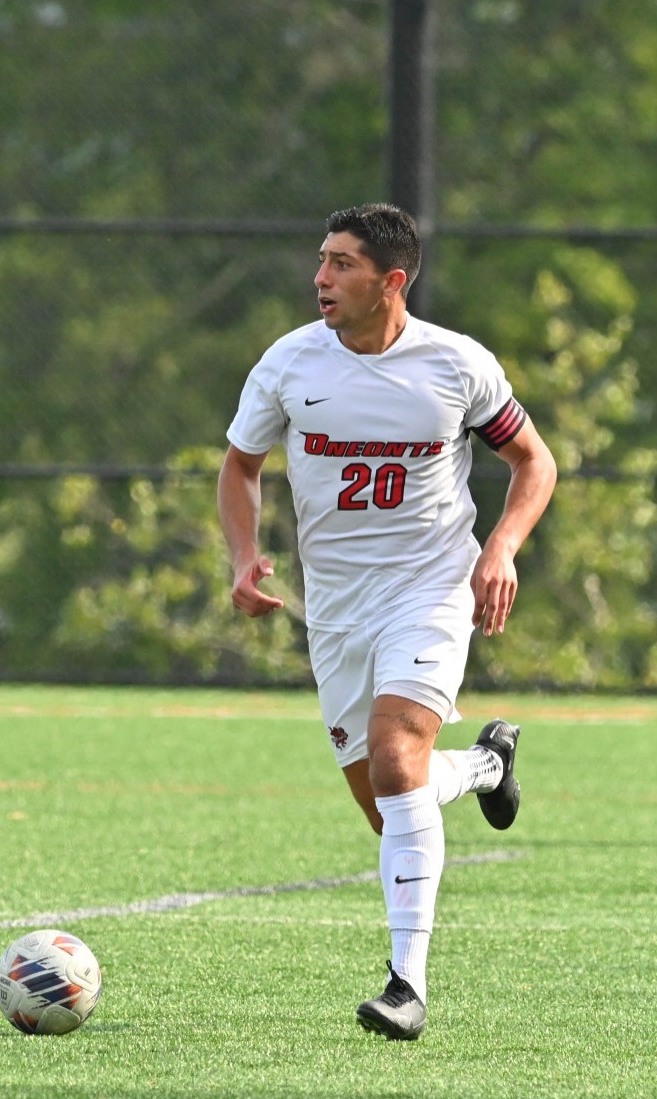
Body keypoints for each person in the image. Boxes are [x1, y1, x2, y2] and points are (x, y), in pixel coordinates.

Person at [219, 203, 557, 1041]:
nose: (320, 278)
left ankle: (407, 986)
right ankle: (482, 766)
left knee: (399, 757)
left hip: (432, 587)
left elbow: (533, 462)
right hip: (334, 609)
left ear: (391, 281)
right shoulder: (289, 363)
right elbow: (239, 465)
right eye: (321, 261)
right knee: (389, 807)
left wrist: (502, 548)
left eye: (340, 264)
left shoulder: (456, 365)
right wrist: (242, 558)